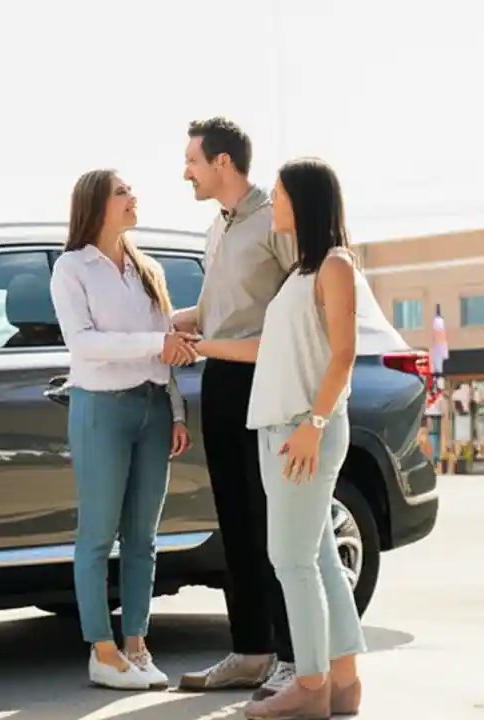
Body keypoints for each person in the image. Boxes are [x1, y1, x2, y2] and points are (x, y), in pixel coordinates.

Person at [194, 156, 367, 718]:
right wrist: (197, 342)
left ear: (306, 202)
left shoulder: (336, 266)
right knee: (314, 557)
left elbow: (344, 355)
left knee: (289, 558)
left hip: (303, 429)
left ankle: (309, 686)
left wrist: (314, 426)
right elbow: (268, 349)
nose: (276, 203)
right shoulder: (299, 273)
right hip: (280, 426)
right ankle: (342, 682)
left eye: (285, 195)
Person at [49, 168, 194, 690]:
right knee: (97, 536)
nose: (133, 196)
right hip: (101, 409)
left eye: (131, 190)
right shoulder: (72, 268)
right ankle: (102, 651)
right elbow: (83, 343)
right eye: (122, 191)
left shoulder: (146, 267)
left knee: (143, 539)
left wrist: (175, 410)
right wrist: (155, 345)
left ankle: (136, 645)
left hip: (153, 409)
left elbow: (166, 344)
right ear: (96, 204)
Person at [172, 117, 299, 698]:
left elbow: (307, 302)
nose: (186, 171)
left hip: (265, 382)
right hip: (219, 382)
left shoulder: (275, 221)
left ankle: (296, 661)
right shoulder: (216, 229)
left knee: (272, 525)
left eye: (193, 161)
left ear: (222, 163)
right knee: (235, 526)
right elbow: (212, 310)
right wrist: (151, 324)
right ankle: (251, 651)